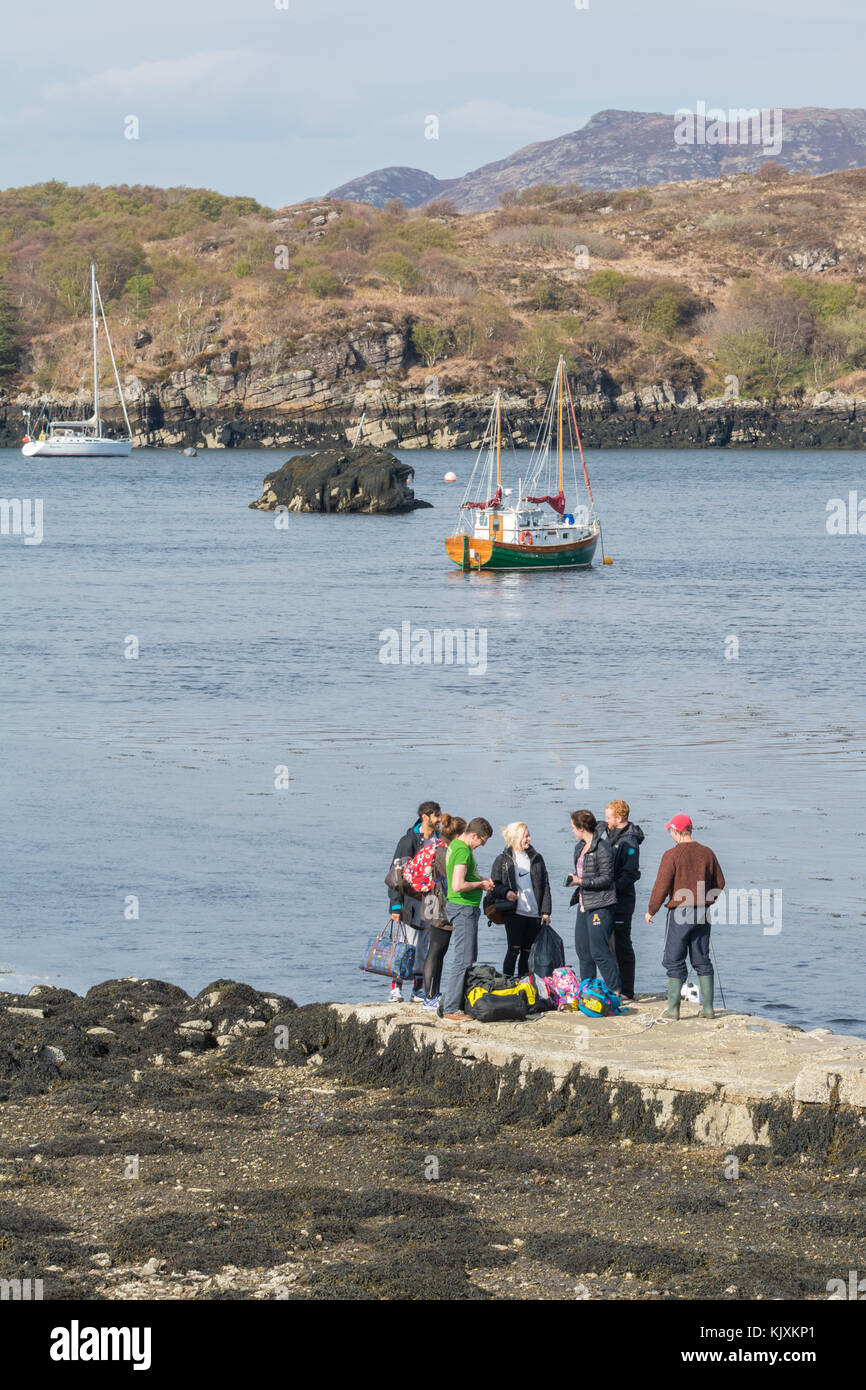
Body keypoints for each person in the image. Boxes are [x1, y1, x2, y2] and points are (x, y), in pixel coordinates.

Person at [645, 814, 725, 1020]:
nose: (670, 834)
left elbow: (661, 886)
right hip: (702, 911)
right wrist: (707, 900)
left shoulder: (671, 855)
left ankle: (673, 1010)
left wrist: (651, 910)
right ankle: (707, 1009)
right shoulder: (707, 853)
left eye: (670, 831)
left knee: (673, 958)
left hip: (680, 911)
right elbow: (720, 882)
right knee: (702, 958)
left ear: (676, 831)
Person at [440, 817, 494, 1021]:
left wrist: (482, 880)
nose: (482, 845)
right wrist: (481, 886)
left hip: (463, 907)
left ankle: (457, 1003)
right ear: (474, 835)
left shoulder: (455, 844)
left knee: (467, 956)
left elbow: (464, 878)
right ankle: (451, 1009)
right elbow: (458, 885)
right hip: (463, 908)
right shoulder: (463, 850)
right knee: (462, 958)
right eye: (482, 841)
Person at [386, 800, 441, 1003]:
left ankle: (418, 989)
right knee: (405, 944)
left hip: (432, 900)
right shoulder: (408, 841)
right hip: (410, 900)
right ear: (425, 817)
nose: (439, 820)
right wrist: (396, 905)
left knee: (425, 945)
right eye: (436, 816)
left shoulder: (439, 840)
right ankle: (396, 988)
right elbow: (395, 875)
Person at [567, 809, 621, 996]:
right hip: (583, 903)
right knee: (583, 951)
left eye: (574, 827)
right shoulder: (579, 847)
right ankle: (587, 990)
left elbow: (607, 878)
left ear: (582, 828)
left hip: (601, 904)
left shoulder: (602, 847)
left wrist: (581, 881)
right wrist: (575, 878)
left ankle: (615, 990)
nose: (572, 831)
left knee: (599, 951)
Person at [490, 822, 552, 977]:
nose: (529, 839)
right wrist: (506, 893)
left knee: (528, 952)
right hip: (514, 912)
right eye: (526, 836)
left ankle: (524, 985)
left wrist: (545, 912)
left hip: (534, 913)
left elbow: (545, 885)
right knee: (513, 950)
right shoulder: (502, 859)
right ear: (516, 837)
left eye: (529, 835)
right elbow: (494, 886)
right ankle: (508, 983)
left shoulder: (537, 858)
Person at [421, 814, 466, 1012]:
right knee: (436, 950)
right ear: (457, 834)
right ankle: (429, 995)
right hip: (437, 905)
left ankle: (433, 992)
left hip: (433, 902)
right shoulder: (444, 852)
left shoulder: (441, 848)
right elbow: (451, 878)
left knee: (439, 950)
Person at [603, 799, 644, 1002]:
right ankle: (615, 986)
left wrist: (611, 889)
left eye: (608, 817)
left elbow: (631, 873)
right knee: (609, 943)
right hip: (610, 900)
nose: (605, 820)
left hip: (622, 900)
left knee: (622, 944)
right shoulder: (611, 834)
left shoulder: (630, 841)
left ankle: (627, 989)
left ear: (619, 818)